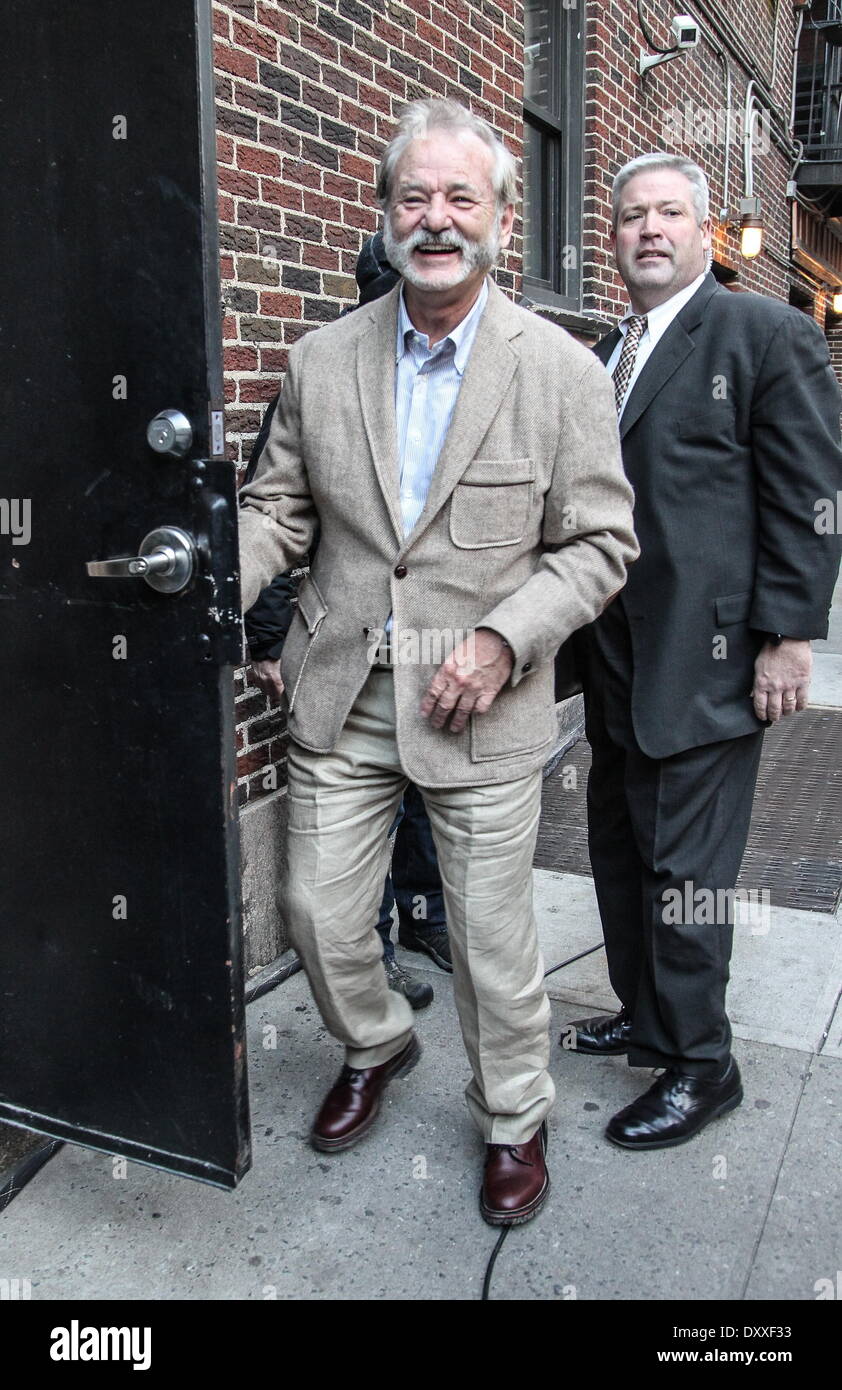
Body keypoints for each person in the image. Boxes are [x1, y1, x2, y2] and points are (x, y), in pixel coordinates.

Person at [237, 98, 637, 1225]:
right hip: (342, 689)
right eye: (413, 196)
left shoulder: (560, 371)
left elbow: (601, 543)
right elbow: (279, 508)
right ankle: (375, 1042)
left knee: (490, 935)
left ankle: (513, 1114)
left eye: (461, 196)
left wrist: (505, 637)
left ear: (501, 218)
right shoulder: (321, 359)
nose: (436, 218)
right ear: (382, 215)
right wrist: (222, 567)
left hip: (482, 703)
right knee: (317, 911)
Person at [564, 152, 842, 1150]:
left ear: (704, 232)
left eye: (668, 213)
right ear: (612, 236)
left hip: (710, 659)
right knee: (620, 851)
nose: (648, 229)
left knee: (682, 869)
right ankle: (646, 1016)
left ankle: (700, 1064)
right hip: (613, 662)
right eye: (631, 214)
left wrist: (788, 637)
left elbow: (808, 499)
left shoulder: (762, 333)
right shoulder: (606, 349)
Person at [243, 233, 450, 1013]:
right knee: (366, 815)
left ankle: (427, 918)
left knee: (426, 796)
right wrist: (268, 639)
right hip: (351, 643)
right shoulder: (326, 375)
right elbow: (272, 509)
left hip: (434, 641)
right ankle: (374, 957)